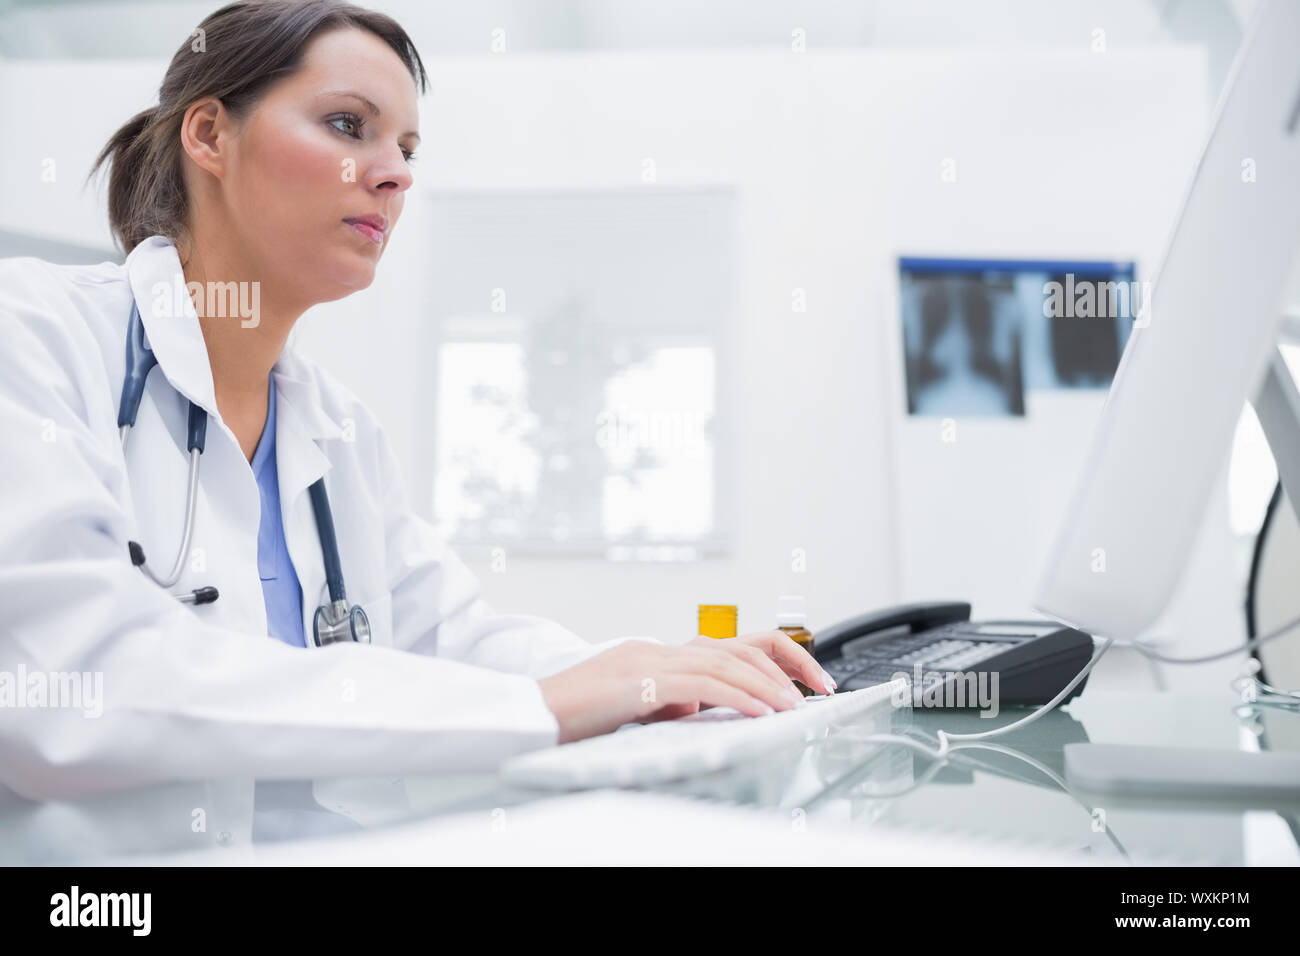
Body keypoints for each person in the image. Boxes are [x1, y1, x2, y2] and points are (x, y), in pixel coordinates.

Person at [0, 0, 833, 804]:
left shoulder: (338, 431)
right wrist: (545, 710)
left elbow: (459, 643)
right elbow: (75, 684)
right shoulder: (36, 335)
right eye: (346, 126)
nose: (396, 174)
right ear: (210, 134)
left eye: (407, 148)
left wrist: (664, 670)